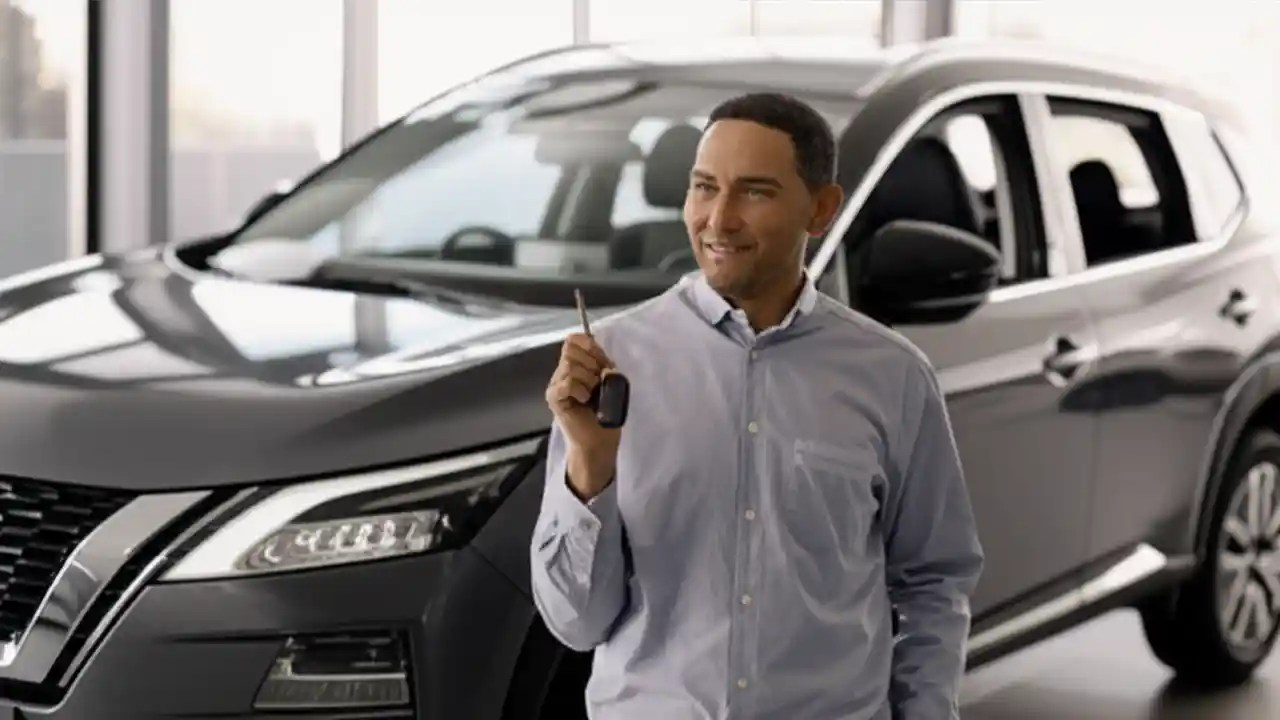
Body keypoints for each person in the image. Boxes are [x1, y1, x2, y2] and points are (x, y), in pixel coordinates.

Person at [531, 92, 984, 720]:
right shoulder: (610, 366)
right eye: (703, 187)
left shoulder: (893, 377)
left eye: (755, 192)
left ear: (821, 210)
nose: (718, 219)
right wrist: (589, 462)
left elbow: (935, 580)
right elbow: (575, 625)